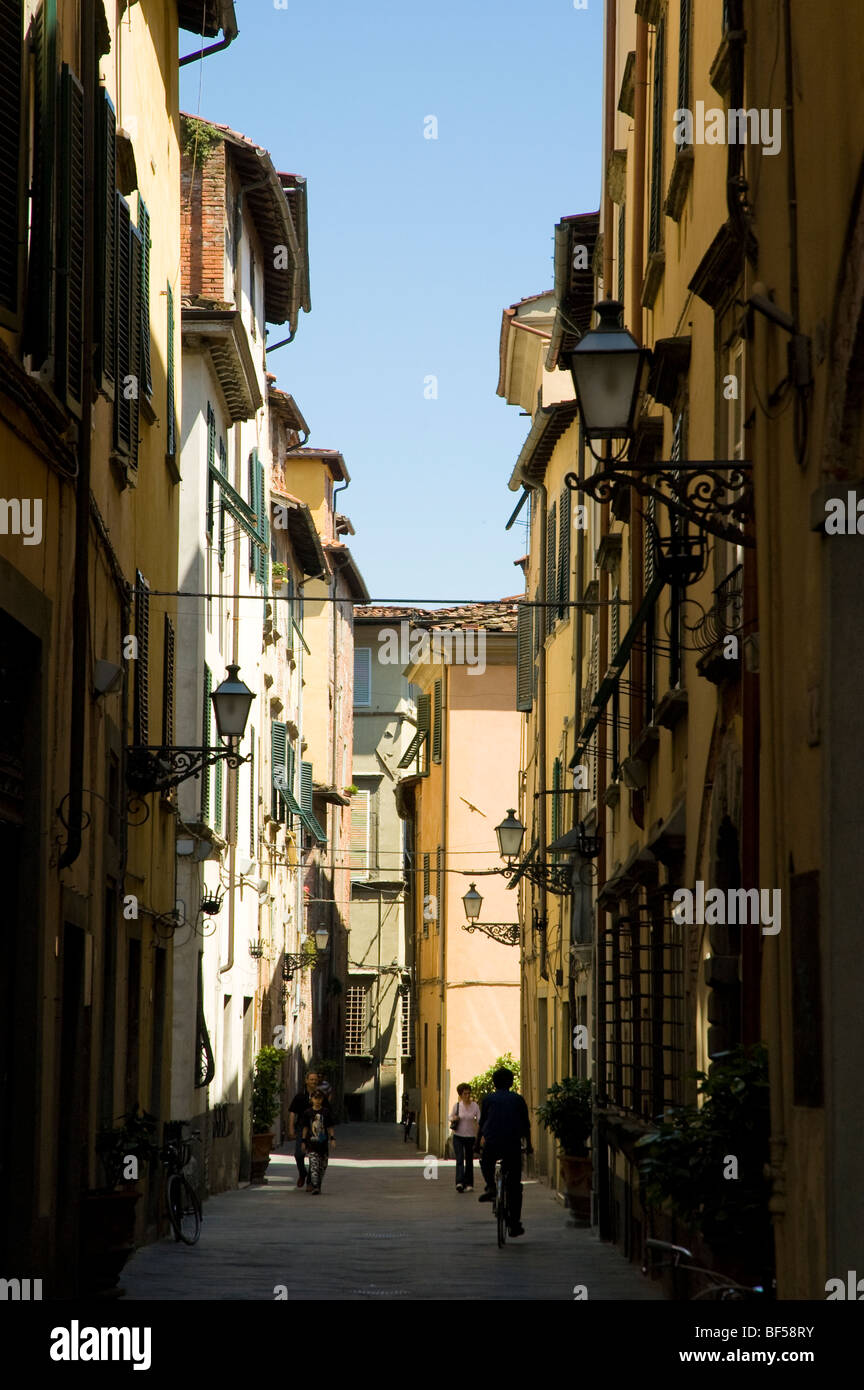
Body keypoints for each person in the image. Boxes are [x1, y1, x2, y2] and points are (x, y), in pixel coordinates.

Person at [477, 1066, 532, 1237]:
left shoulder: (488, 1099)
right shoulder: (518, 1099)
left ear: (494, 1083)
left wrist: (477, 1143)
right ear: (511, 1082)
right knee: (515, 1186)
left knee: (486, 1161)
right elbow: (526, 1125)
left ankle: (491, 1187)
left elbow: (482, 1123)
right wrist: (529, 1145)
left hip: (492, 1143)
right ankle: (514, 1224)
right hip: (512, 1144)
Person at [287, 1070, 320, 1188]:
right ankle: (302, 1173)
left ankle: (310, 1181)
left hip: (316, 1130)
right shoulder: (300, 1096)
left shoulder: (321, 1096)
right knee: (298, 1154)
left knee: (314, 1156)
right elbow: (292, 1112)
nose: (313, 1081)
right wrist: (291, 1129)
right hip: (301, 1128)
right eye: (311, 1079)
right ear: (306, 1081)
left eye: (315, 1079)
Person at [301, 1088, 335, 1194]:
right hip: (311, 1144)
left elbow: (329, 1127)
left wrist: (332, 1138)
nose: (318, 1100)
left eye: (320, 1098)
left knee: (323, 1166)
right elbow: (305, 1127)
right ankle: (315, 1186)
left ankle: (318, 1184)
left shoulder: (325, 1112)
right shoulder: (307, 1113)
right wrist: (303, 1141)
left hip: (323, 1144)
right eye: (315, 1098)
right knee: (314, 1165)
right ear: (312, 1099)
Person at [449, 1083, 480, 1192]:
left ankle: (469, 1184)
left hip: (470, 1137)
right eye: (465, 1094)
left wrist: (481, 1135)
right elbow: (450, 1116)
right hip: (458, 1136)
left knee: (469, 1161)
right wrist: (454, 1118)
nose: (467, 1096)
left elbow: (479, 1120)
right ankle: (459, 1183)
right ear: (461, 1095)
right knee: (460, 1159)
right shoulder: (457, 1106)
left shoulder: (475, 1106)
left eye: (468, 1093)